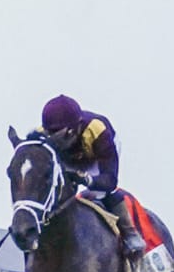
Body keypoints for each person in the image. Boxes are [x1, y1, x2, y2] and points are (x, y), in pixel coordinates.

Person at [39, 94, 145, 255]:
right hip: (68, 159)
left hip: (95, 156)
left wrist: (87, 179)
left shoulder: (97, 131)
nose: (54, 140)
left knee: (97, 192)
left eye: (58, 134)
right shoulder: (41, 134)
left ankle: (129, 233)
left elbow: (110, 180)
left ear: (75, 128)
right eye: (50, 134)